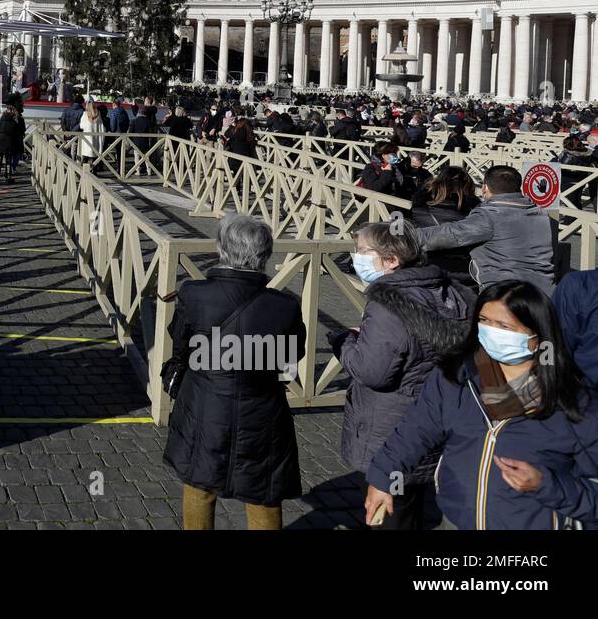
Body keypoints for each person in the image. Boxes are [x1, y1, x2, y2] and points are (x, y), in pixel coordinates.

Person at [365, 281, 598, 530]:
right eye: (484, 320)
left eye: (504, 326)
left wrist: (546, 485)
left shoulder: (575, 403)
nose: (491, 331)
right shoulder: (456, 377)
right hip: (454, 523)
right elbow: (416, 430)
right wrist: (384, 477)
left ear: (538, 338)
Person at [163, 214, 306, 530]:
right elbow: (292, 355)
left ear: (222, 249)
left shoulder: (194, 294)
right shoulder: (285, 305)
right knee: (263, 492)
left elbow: (181, 341)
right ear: (264, 255)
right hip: (263, 408)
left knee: (200, 483)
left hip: (205, 403)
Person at [331, 220, 474, 529]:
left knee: (391, 512)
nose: (356, 257)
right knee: (413, 501)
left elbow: (372, 371)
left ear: (392, 261)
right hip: (435, 420)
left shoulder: (388, 304)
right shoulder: (448, 289)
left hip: (393, 428)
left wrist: (345, 342)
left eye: (363, 251)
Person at [416, 165, 557, 296]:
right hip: (545, 292)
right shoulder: (542, 214)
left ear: (485, 188)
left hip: (506, 295)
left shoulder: (489, 216)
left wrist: (406, 236)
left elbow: (449, 234)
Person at [411, 166, 481, 275]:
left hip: (425, 263)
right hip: (461, 267)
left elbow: (405, 228)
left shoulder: (420, 203)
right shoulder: (472, 208)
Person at [0, 104, 22, 183]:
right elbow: (17, 133)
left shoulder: (0, 120)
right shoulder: (14, 122)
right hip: (9, 142)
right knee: (8, 160)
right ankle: (8, 177)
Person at [78, 100, 104, 168]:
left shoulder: (85, 114)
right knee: (93, 157)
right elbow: (101, 127)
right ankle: (93, 171)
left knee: (85, 157)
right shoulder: (98, 113)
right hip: (96, 139)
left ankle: (84, 171)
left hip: (87, 139)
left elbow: (81, 126)